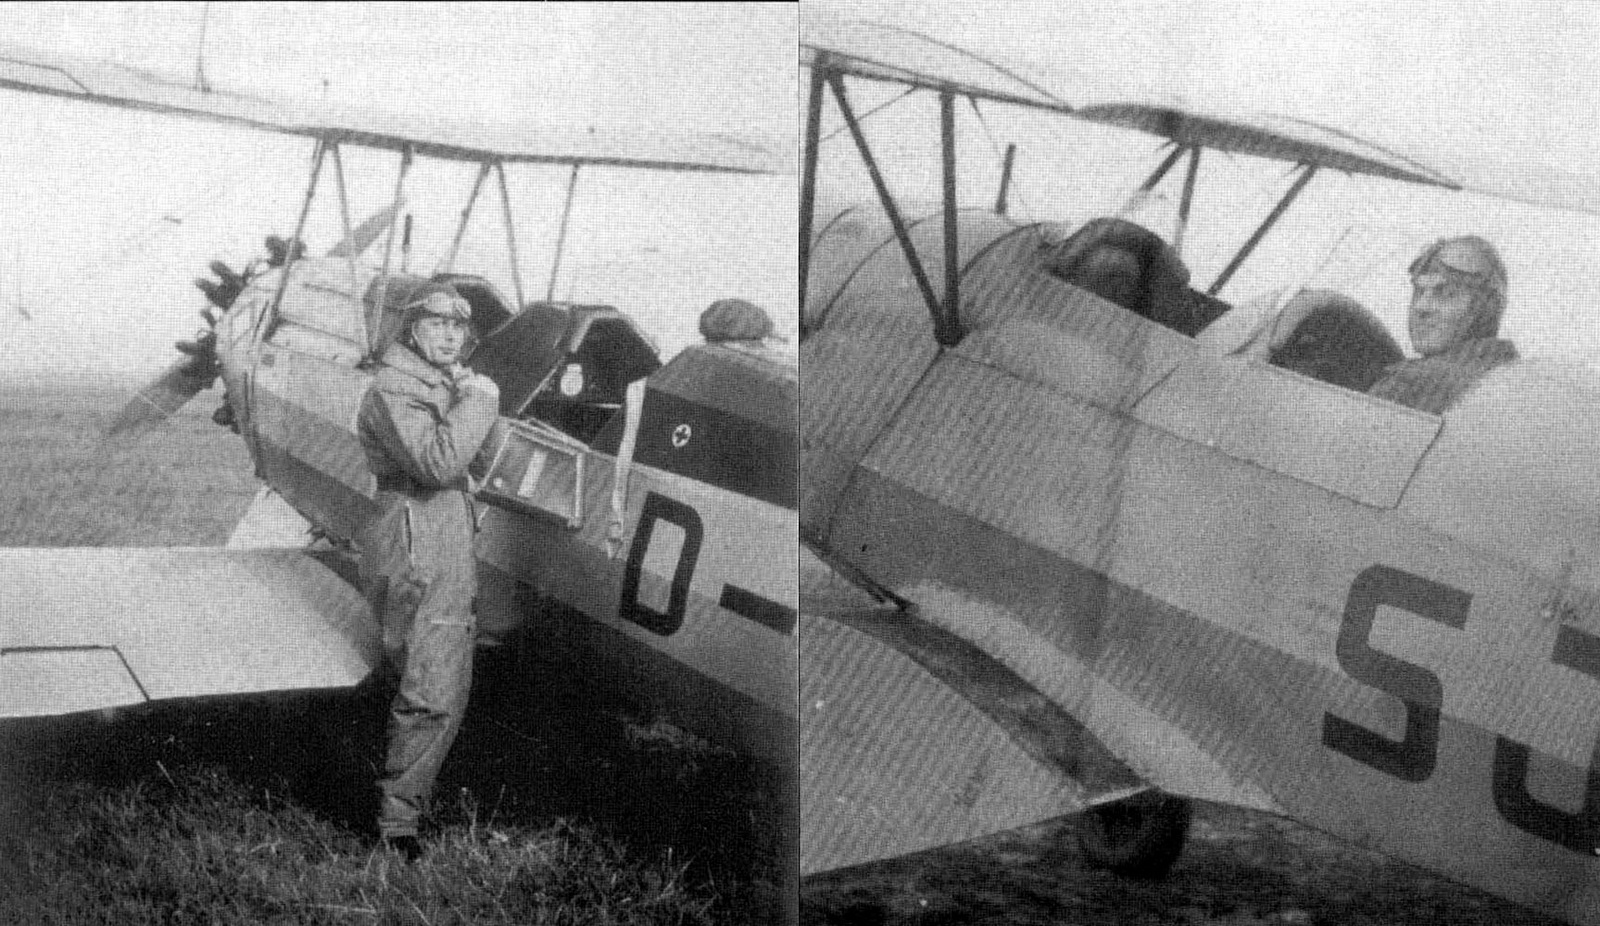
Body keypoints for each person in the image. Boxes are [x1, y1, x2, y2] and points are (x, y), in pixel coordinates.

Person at [355, 282, 500, 860]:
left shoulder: (444, 386)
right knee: (431, 682)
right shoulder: (396, 388)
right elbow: (440, 463)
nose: (449, 335)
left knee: (424, 670)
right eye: (436, 324)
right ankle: (397, 829)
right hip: (418, 532)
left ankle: (391, 796)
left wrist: (474, 400)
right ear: (412, 329)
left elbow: (483, 460)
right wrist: (481, 401)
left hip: (438, 530)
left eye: (458, 327)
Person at [1367, 235, 1517, 413]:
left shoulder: (1409, 383)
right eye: (1419, 291)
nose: (1421, 307)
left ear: (1484, 310)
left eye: (1445, 294)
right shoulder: (1512, 378)